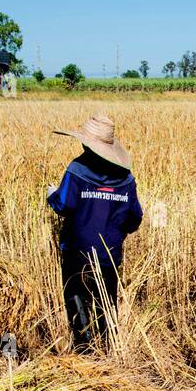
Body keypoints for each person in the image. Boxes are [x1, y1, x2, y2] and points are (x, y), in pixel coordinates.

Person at [47, 114, 143, 351]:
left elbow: (64, 204)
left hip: (77, 251)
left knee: (76, 295)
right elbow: (135, 218)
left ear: (86, 143)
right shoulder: (126, 178)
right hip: (110, 253)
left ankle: (83, 347)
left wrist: (51, 194)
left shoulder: (77, 169)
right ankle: (108, 347)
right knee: (106, 300)